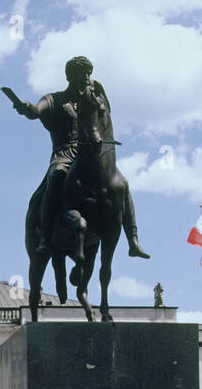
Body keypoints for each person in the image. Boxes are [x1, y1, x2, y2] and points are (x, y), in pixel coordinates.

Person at [14, 56, 148, 258]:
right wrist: (27, 107)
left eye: (87, 74)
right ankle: (45, 238)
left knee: (122, 183)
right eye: (80, 75)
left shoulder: (91, 98)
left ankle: (133, 241)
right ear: (69, 77)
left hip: (91, 155)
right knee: (56, 177)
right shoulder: (54, 99)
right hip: (65, 154)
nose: (85, 78)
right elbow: (36, 110)